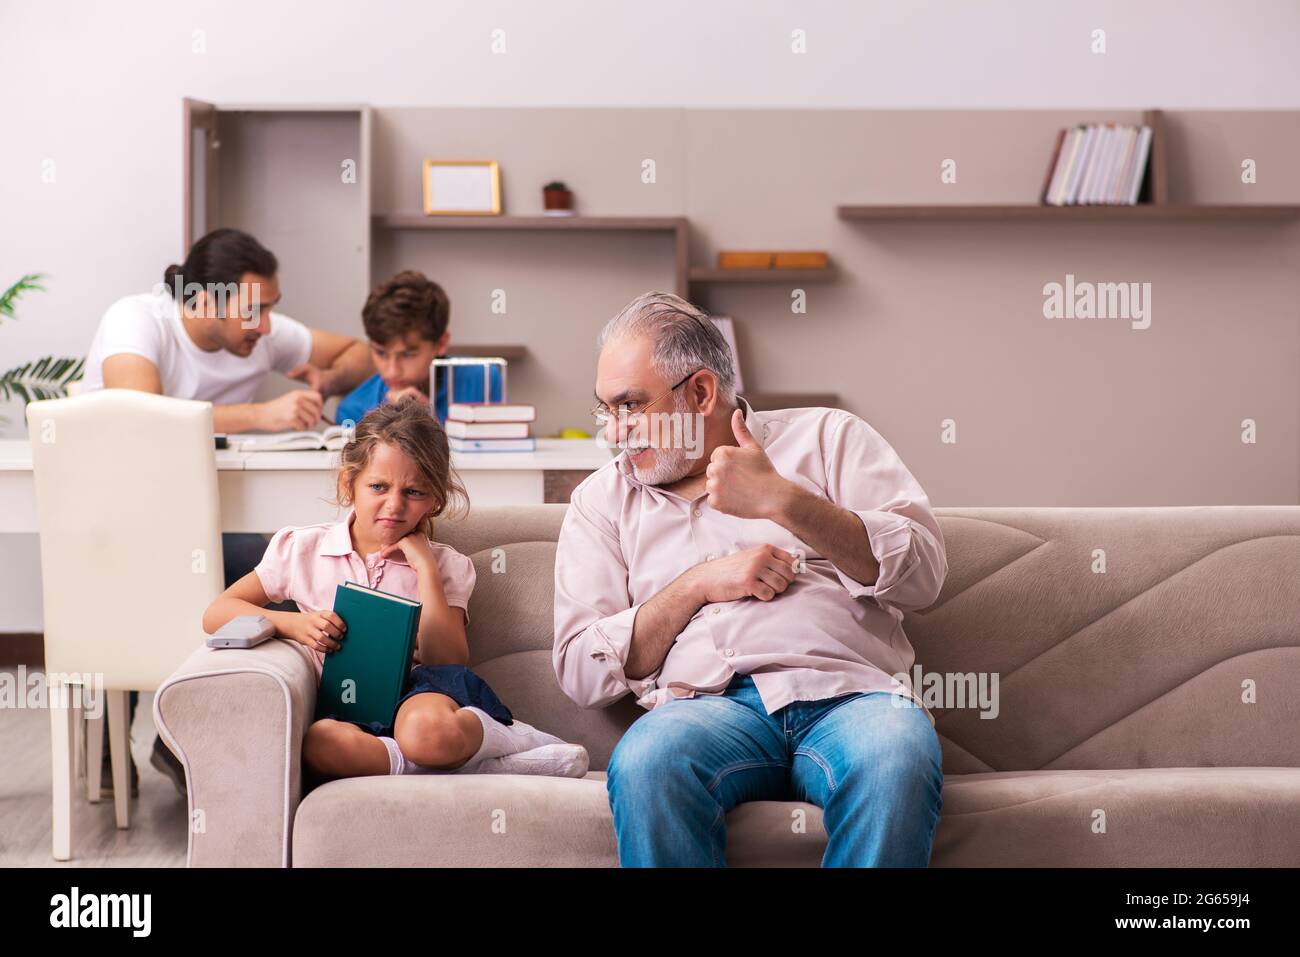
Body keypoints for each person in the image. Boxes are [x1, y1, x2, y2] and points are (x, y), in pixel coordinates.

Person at [553, 291, 948, 867]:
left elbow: (923, 575)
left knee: (898, 752)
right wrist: (697, 584)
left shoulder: (828, 439)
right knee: (647, 761)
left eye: (630, 407)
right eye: (605, 410)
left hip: (847, 695)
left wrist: (784, 502)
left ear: (702, 392)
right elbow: (580, 671)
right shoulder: (601, 501)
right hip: (703, 709)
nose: (614, 433)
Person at [80, 228, 375, 795]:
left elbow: (355, 354)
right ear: (204, 299)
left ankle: (206, 744)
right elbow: (142, 411)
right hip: (119, 529)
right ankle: (128, 737)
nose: (266, 325)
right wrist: (260, 416)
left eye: (271, 308)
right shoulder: (138, 319)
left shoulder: (260, 333)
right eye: (254, 310)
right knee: (186, 575)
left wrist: (324, 379)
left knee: (281, 574)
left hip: (199, 524)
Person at [204, 396, 588, 779]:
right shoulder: (301, 548)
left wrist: (424, 568)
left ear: (435, 501)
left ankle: (506, 741)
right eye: (378, 486)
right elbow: (217, 613)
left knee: (424, 732)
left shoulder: (447, 565)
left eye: (414, 492)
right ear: (348, 484)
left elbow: (447, 659)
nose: (394, 504)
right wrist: (291, 625)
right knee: (321, 743)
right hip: (346, 700)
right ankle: (478, 764)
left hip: (422, 696)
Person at [334, 270, 503, 425]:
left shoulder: (485, 379)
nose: (392, 371)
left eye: (407, 354)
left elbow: (511, 451)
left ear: (441, 344)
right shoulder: (352, 412)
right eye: (381, 353)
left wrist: (430, 422)